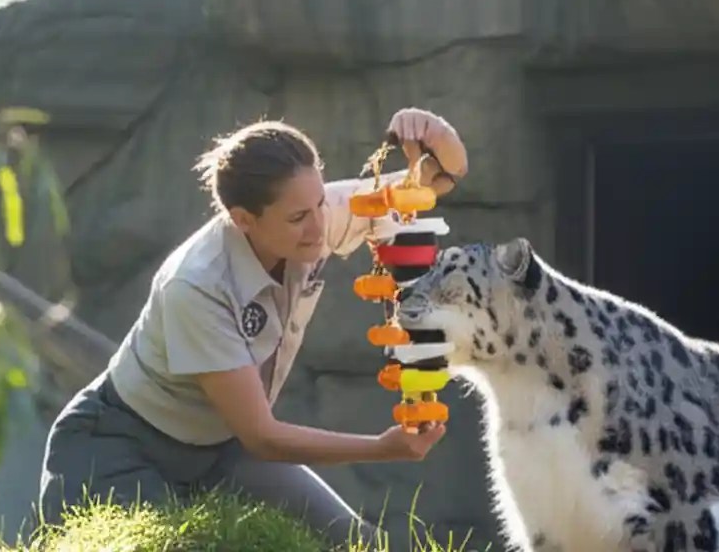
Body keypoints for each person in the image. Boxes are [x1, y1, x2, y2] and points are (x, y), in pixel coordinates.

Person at [37, 107, 469, 548]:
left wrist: (435, 132)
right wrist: (382, 448)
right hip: (120, 445)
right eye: (299, 217)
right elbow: (262, 437)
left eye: (320, 202)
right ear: (244, 219)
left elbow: (435, 180)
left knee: (361, 544)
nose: (319, 227)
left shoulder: (313, 219)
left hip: (221, 446)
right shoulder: (197, 284)